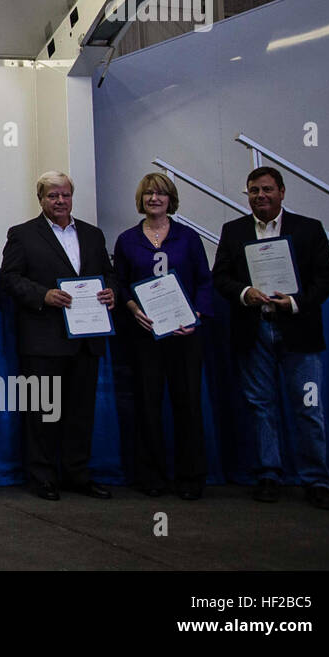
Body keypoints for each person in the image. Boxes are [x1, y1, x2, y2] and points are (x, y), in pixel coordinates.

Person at [212, 167, 329, 510]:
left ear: (282, 192)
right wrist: (244, 293)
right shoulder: (233, 231)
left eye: (267, 189)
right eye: (253, 190)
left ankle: (316, 479)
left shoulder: (308, 229)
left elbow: (327, 277)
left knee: (309, 408)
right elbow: (221, 278)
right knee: (260, 407)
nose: (260, 196)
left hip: (299, 331)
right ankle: (269, 474)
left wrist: (295, 302)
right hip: (254, 331)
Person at [0, 171, 116, 501]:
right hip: (44, 338)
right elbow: (9, 279)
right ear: (41, 199)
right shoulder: (22, 234)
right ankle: (42, 477)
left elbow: (109, 275)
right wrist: (43, 296)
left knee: (81, 413)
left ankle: (77, 474)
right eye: (52, 196)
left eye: (65, 195)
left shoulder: (93, 235)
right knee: (43, 412)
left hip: (87, 337)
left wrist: (112, 292)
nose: (60, 201)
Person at [112, 172, 214, 500]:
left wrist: (196, 315)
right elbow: (120, 282)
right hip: (145, 335)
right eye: (148, 194)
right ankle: (151, 476)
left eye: (160, 194)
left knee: (188, 405)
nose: (154, 199)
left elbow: (204, 281)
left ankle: (190, 477)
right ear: (141, 200)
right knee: (147, 405)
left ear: (171, 199)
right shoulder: (127, 240)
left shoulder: (188, 238)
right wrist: (131, 308)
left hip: (185, 334)